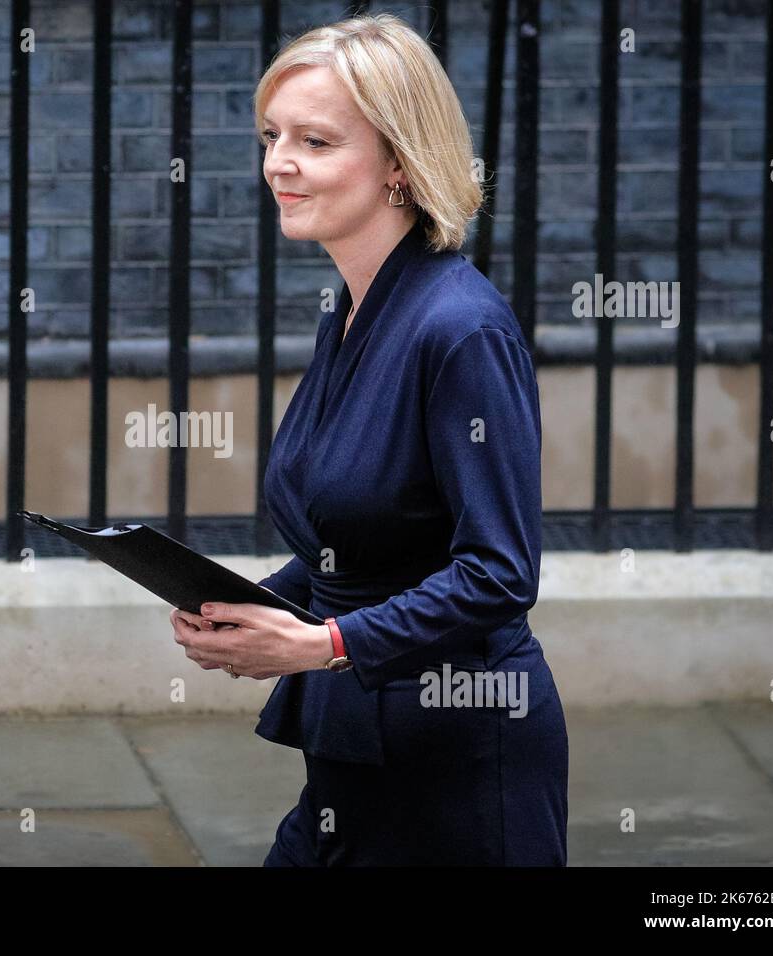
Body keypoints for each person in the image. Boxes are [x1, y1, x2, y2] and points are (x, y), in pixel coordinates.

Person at [170, 12, 568, 866]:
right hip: (355, 750)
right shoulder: (353, 311)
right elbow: (350, 541)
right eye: (273, 135)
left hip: (459, 758)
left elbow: (501, 570)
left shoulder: (460, 331)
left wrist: (323, 645)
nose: (279, 162)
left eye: (315, 141)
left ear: (398, 165)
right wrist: (244, 607)